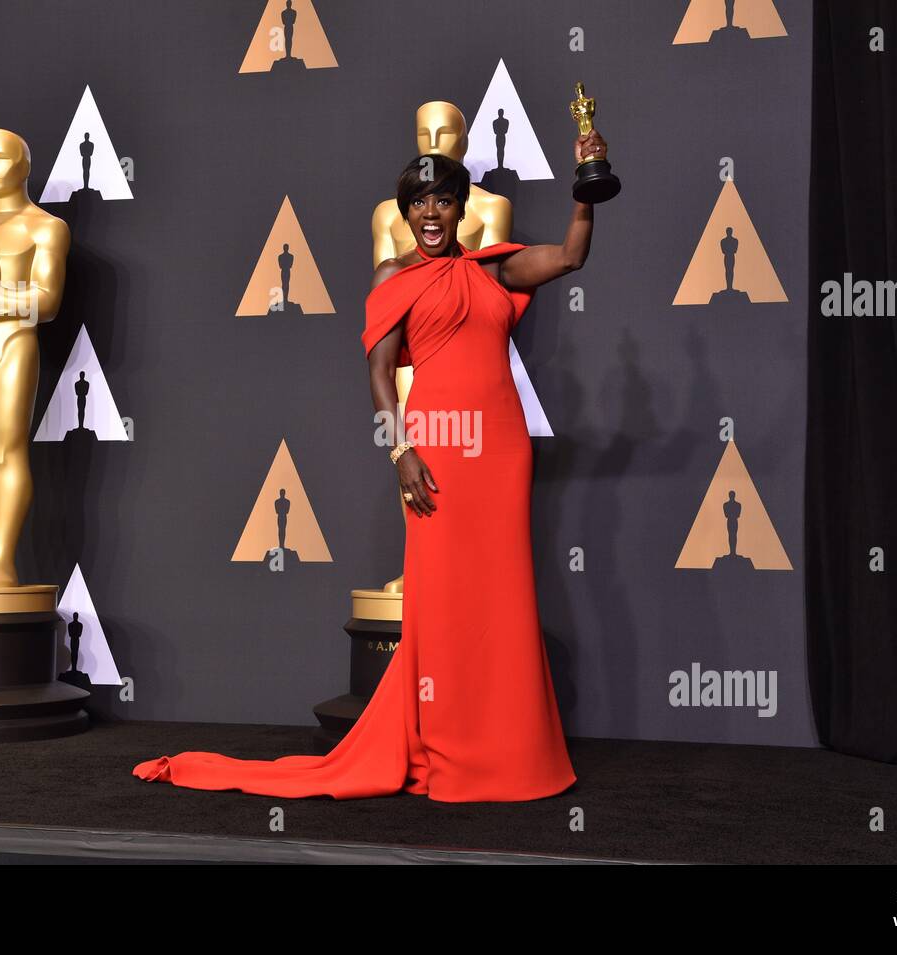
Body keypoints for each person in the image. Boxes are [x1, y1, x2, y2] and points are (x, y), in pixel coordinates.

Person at [132, 130, 606, 801]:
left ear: (462, 209)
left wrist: (587, 186)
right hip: (436, 450)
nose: (433, 213)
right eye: (420, 203)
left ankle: (509, 750)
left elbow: (570, 257)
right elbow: (380, 375)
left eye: (444, 200)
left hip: (500, 452)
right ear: (406, 213)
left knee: (501, 596)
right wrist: (401, 450)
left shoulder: (495, 269)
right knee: (442, 602)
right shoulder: (395, 278)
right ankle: (447, 747)